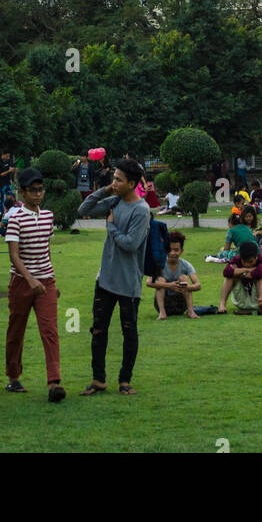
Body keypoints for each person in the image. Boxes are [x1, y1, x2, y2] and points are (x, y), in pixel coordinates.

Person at [77, 158, 150, 397]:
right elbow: (84, 209)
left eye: (118, 180)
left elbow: (130, 244)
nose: (114, 182)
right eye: (113, 178)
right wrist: (106, 189)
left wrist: (111, 227)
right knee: (98, 330)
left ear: (132, 183)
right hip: (105, 279)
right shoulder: (115, 200)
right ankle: (98, 380)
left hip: (128, 282)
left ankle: (125, 381)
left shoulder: (141, 210)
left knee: (129, 331)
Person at [5, 167, 65, 402]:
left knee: (50, 331)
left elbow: (46, 250)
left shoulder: (48, 216)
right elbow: (14, 255)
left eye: (40, 190)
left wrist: (51, 282)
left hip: (46, 281)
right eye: (33, 191)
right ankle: (13, 377)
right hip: (22, 282)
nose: (38, 194)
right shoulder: (15, 218)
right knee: (16, 330)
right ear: (22, 192)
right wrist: (30, 279)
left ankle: (54, 382)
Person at [148, 231, 201, 320]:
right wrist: (169, 286)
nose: (172, 253)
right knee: (160, 280)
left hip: (180, 305)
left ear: (181, 251)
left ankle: (191, 311)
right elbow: (149, 282)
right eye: (169, 249)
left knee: (183, 278)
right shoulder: (159, 263)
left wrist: (187, 287)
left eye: (176, 250)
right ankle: (162, 313)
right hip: (163, 303)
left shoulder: (186, 265)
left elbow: (198, 285)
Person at [217, 241, 262, 315]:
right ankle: (222, 305)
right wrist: (247, 270)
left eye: (250, 262)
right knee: (229, 278)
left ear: (256, 257)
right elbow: (226, 272)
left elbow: (260, 272)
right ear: (240, 257)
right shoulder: (236, 259)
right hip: (240, 298)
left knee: (260, 278)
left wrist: (238, 271)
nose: (247, 264)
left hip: (257, 297)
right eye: (244, 262)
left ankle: (261, 303)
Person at [0, 151, 16, 217]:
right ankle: (2, 213)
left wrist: (13, 170)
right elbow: (0, 174)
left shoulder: (8, 161)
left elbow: (12, 168)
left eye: (9, 156)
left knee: (11, 197)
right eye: (7, 156)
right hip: (2, 183)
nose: (8, 158)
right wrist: (8, 171)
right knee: (3, 199)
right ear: (3, 155)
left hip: (8, 182)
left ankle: (9, 211)